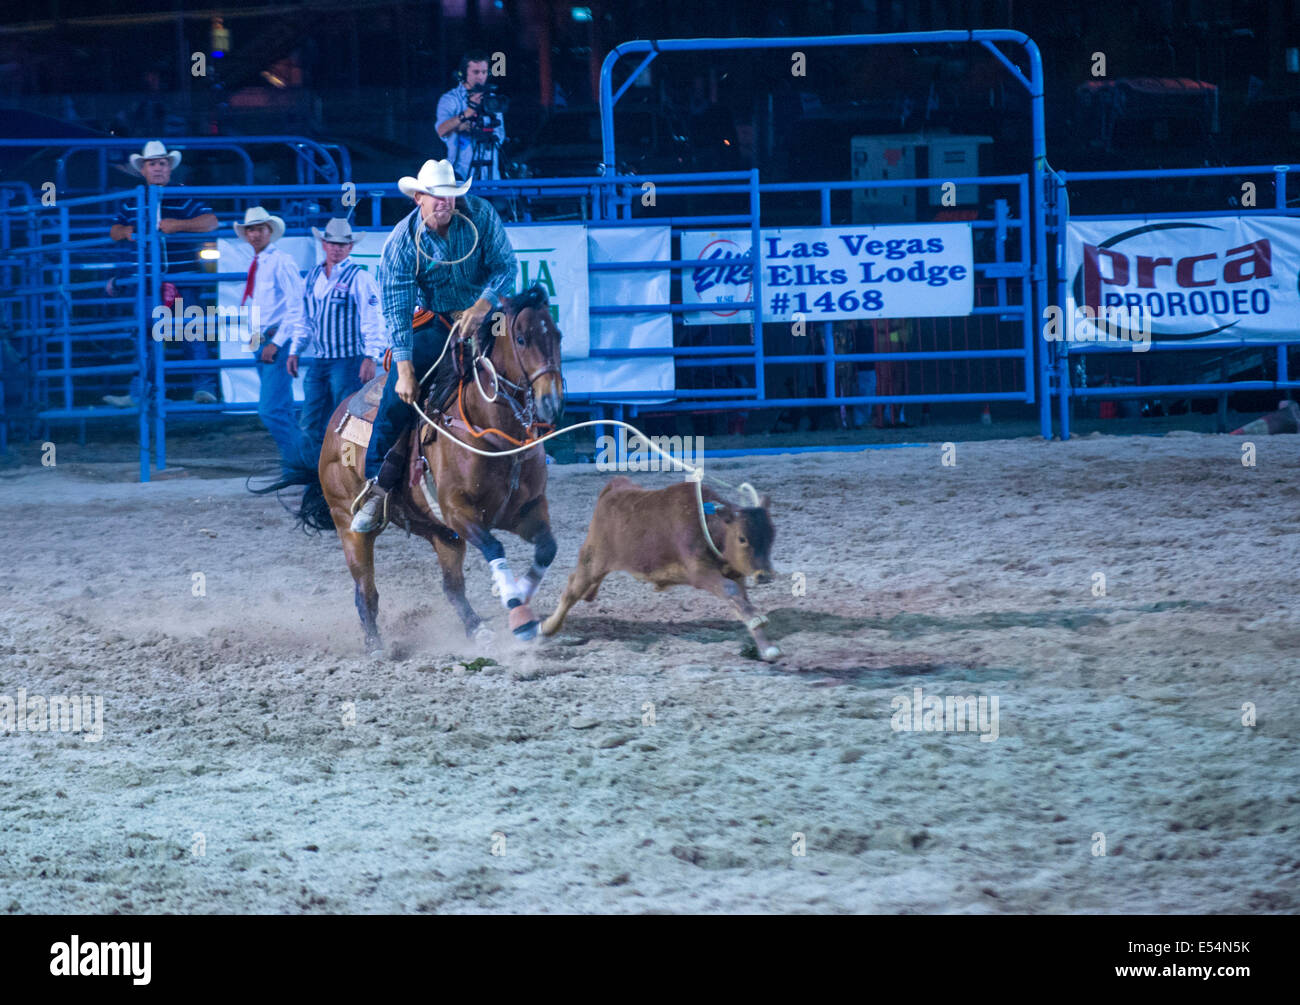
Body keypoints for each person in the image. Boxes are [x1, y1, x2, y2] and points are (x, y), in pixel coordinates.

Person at [349, 158, 517, 533]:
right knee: (398, 399)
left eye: (451, 195)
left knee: (525, 359)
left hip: (485, 313)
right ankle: (377, 488)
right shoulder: (402, 241)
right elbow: (396, 305)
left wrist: (483, 304)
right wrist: (404, 369)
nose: (445, 203)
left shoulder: (481, 215)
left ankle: (531, 442)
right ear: (418, 199)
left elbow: (507, 266)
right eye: (436, 197)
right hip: (438, 321)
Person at [103, 140, 219, 407]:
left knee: (190, 332)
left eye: (162, 164)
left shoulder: (183, 195)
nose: (157, 168)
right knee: (148, 333)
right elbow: (114, 230)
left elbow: (211, 222)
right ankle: (143, 391)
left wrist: (177, 225)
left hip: (181, 278)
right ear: (143, 169)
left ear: (169, 169)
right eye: (152, 164)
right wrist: (126, 231)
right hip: (147, 280)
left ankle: (201, 388)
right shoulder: (133, 201)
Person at [287, 218, 390, 460]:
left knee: (349, 417)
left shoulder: (359, 278)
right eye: (332, 243)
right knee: (311, 421)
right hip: (321, 359)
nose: (337, 248)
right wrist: (295, 349)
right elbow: (304, 318)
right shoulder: (312, 277)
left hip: (349, 359)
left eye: (342, 244)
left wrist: (370, 356)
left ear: (350, 248)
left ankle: (352, 470)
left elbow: (372, 319)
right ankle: (315, 475)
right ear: (324, 244)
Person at [233, 205, 311, 478]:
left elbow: (296, 307)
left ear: (270, 232)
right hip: (264, 338)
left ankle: (300, 466)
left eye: (260, 229)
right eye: (251, 229)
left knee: (272, 410)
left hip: (276, 340)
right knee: (280, 409)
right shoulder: (260, 262)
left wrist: (276, 343)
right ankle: (302, 464)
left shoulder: (281, 262)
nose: (255, 234)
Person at [435, 51, 506, 182]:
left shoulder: (492, 101)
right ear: (463, 73)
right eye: (476, 72)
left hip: (491, 178)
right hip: (461, 176)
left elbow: (500, 136)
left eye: (484, 72)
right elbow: (441, 130)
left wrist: (483, 130)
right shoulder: (450, 99)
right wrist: (466, 114)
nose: (480, 77)